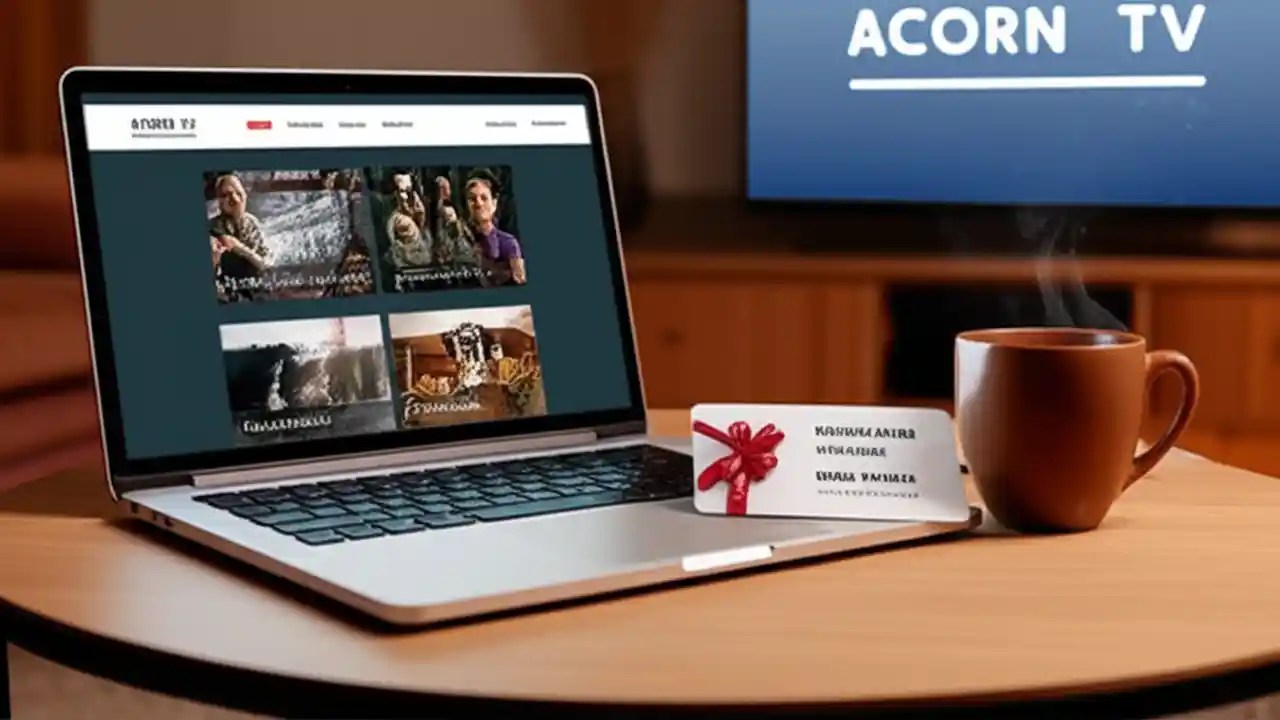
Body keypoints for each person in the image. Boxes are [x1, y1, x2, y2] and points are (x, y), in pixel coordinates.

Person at [208, 174, 269, 301]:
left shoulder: (252, 223)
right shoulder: (212, 228)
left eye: (239, 192)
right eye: (226, 195)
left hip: (256, 291)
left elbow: (265, 264)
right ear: (219, 201)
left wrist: (237, 247)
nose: (235, 199)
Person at [464, 173, 526, 286]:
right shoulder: (461, 239)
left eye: (484, 198)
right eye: (472, 199)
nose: (478, 203)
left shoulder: (508, 243)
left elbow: (520, 281)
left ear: (494, 203)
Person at [386, 172, 432, 270]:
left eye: (409, 191)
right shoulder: (401, 221)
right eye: (402, 191)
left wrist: (421, 216)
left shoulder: (420, 214)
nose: (407, 197)